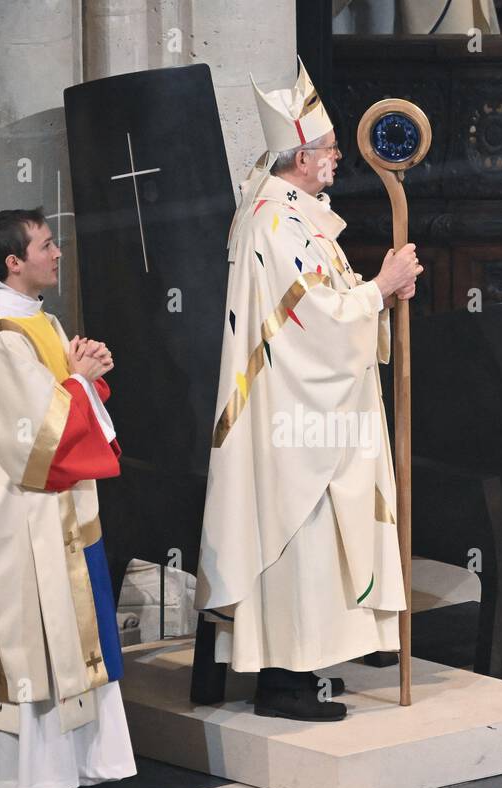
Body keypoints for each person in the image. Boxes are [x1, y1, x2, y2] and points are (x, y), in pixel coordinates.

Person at [196, 60, 421, 721]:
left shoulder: (293, 214)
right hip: (296, 420)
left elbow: (323, 303)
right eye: (326, 149)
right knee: (302, 535)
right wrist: (378, 289)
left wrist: (375, 295)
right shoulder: (274, 224)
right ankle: (284, 683)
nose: (336, 158)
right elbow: (309, 324)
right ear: (298, 157)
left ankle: (304, 667)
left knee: (320, 544)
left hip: (314, 410)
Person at [0, 208, 136, 788]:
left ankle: (68, 775)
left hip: (61, 518)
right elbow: (31, 440)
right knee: (38, 651)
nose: (57, 252)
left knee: (72, 646)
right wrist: (80, 381)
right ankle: (32, 787)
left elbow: (63, 397)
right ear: (14, 261)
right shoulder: (4, 337)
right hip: (26, 524)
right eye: (45, 245)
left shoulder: (38, 321)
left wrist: (85, 372)